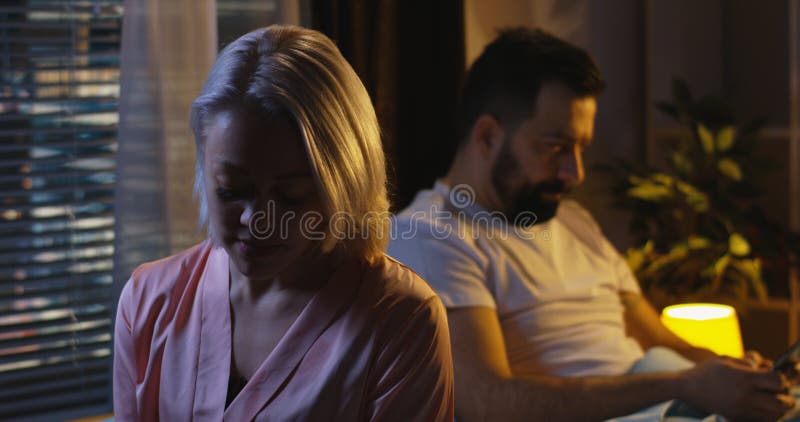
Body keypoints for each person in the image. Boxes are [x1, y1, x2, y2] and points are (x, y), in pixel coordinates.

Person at [387, 27, 794, 421]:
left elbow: (661, 341)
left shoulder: (574, 222)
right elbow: (491, 404)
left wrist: (737, 374)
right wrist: (683, 386)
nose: (575, 172)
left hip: (660, 394)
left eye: (580, 147)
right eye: (556, 147)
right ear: (488, 136)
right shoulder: (433, 236)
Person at [113, 25, 453, 421]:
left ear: (345, 184)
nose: (256, 220)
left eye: (290, 196)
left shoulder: (401, 323)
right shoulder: (149, 302)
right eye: (231, 189)